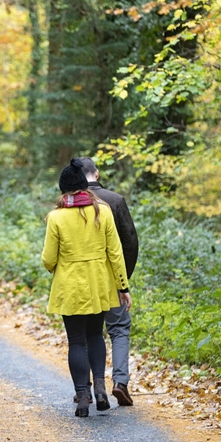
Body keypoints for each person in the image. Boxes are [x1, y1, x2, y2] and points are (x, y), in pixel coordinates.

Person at [41, 159, 131, 417]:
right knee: (95, 336)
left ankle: (83, 397)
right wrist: (123, 286)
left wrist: (57, 266)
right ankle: (101, 390)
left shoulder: (56, 217)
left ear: (63, 190)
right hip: (98, 285)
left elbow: (48, 259)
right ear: (84, 186)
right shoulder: (102, 212)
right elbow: (115, 253)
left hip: (70, 287)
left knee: (76, 341)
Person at [79, 157, 139, 407]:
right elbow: (130, 243)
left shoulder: (70, 205)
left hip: (82, 280)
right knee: (119, 329)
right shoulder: (115, 200)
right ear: (97, 173)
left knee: (85, 334)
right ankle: (120, 382)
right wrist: (123, 278)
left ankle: (86, 387)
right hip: (113, 277)